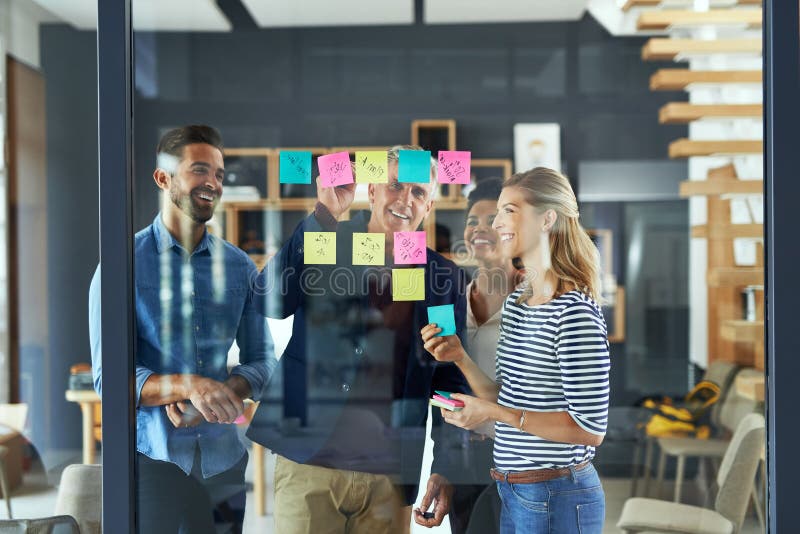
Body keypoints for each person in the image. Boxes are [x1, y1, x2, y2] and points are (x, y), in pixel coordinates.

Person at [246, 145, 469, 533]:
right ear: (373, 192)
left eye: (418, 193)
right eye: (396, 186)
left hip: (389, 475)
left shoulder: (443, 279)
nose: (405, 200)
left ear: (429, 206)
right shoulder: (327, 240)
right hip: (310, 459)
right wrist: (325, 213)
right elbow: (269, 300)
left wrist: (446, 466)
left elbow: (449, 379)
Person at [89, 125, 277, 534]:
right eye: (199, 170)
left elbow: (263, 360)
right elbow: (109, 380)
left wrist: (222, 395)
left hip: (224, 461)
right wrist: (187, 386)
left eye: (220, 175)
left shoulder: (241, 268)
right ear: (163, 177)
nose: (212, 183)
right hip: (151, 461)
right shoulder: (121, 266)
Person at [421, 167, 610, 534]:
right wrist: (460, 357)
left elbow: (590, 429)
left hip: (558, 491)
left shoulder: (574, 311)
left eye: (508, 210)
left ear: (547, 219)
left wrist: (491, 412)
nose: (496, 222)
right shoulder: (520, 305)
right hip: (515, 487)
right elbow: (503, 395)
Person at [448, 178, 519, 534]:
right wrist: (443, 469)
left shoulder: (534, 301)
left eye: (492, 219)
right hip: (464, 455)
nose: (479, 229)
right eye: (472, 220)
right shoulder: (452, 298)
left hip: (519, 456)